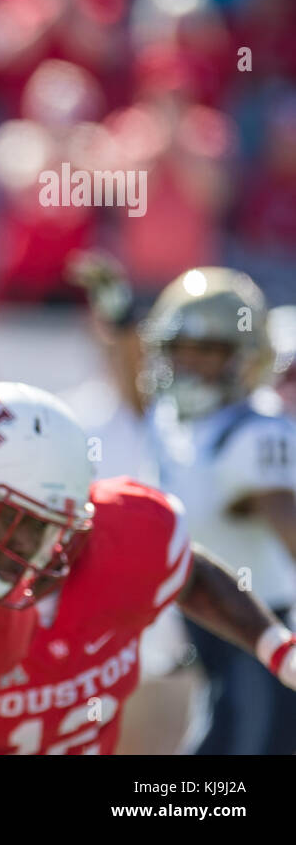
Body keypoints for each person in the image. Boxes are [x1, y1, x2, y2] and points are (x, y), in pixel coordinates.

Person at [0, 382, 296, 754]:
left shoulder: (122, 540)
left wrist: (276, 646)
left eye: (46, 527)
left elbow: (188, 572)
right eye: (10, 517)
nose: (28, 547)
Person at [140, 267, 296, 754]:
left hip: (258, 634)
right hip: (209, 637)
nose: (188, 364)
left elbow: (289, 524)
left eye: (206, 352)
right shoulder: (181, 424)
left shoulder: (254, 434)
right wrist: (122, 321)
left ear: (243, 358)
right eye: (179, 350)